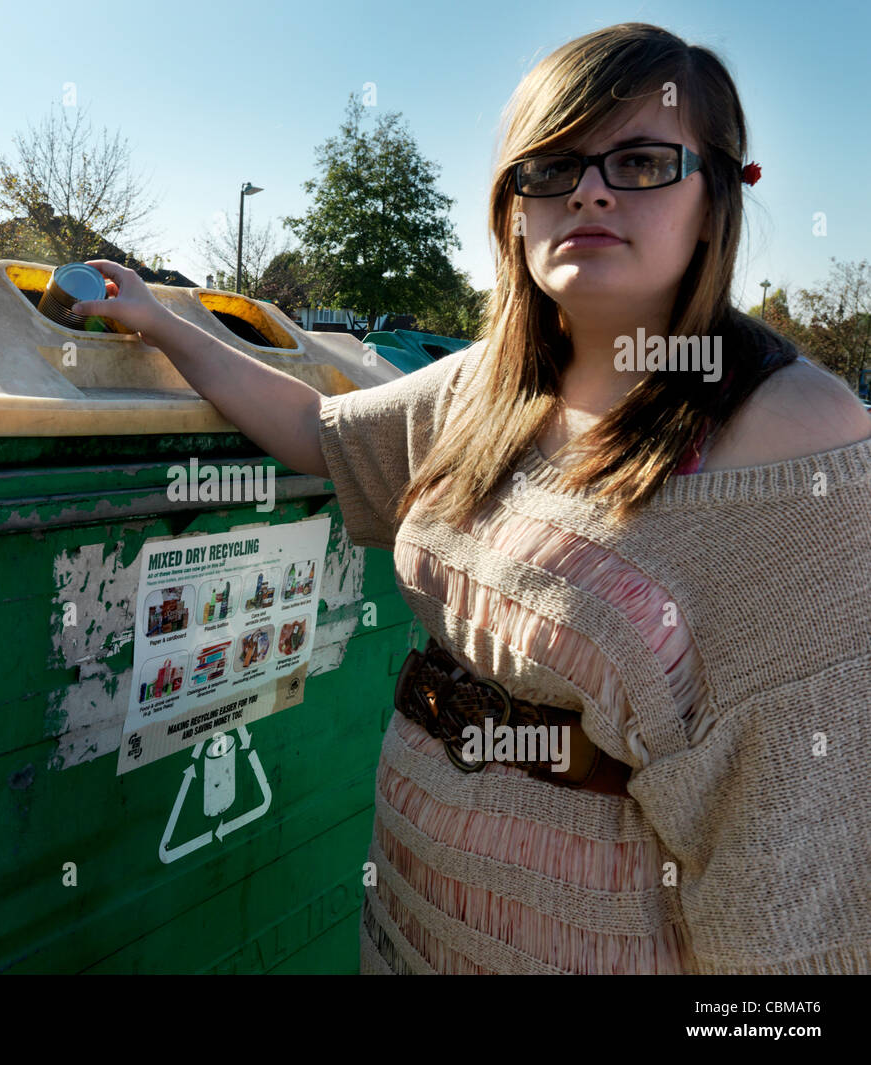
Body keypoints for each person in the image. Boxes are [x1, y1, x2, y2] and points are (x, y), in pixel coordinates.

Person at [72, 22, 871, 974]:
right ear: (514, 208)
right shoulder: (490, 386)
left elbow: (803, 890)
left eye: (644, 161)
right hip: (407, 926)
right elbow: (322, 436)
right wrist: (171, 327)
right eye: (554, 166)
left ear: (716, 199)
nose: (590, 189)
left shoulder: (797, 440)